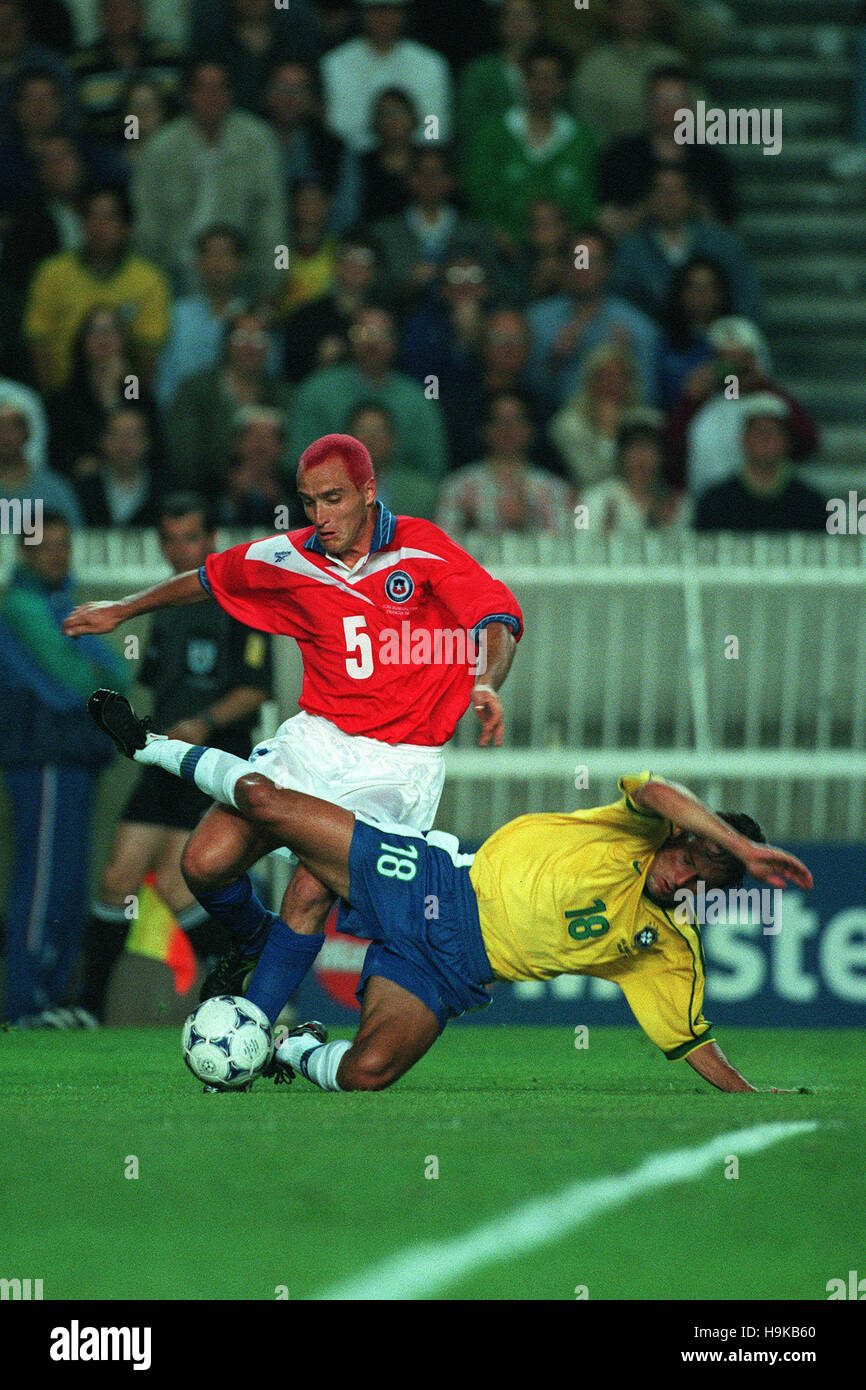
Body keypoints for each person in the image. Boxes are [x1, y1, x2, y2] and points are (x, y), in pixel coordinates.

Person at [87, 706, 814, 1095]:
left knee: (365, 1073)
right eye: (692, 858)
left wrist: (749, 1095)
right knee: (267, 806)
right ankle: (149, 743)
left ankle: (289, 1046)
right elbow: (660, 788)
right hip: (430, 882)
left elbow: (692, 1039)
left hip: (452, 974)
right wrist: (742, 847)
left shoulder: (665, 951)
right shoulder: (640, 824)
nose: (685, 878)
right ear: (688, 836)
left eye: (702, 885)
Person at [64, 433, 523, 1029]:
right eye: (308, 502)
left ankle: (251, 1028)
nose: (320, 516)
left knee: (308, 892)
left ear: (368, 491)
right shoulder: (291, 556)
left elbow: (498, 619)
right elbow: (208, 576)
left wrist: (485, 683)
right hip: (316, 740)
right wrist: (123, 610)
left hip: (397, 763)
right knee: (202, 864)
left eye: (333, 499)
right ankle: (255, 941)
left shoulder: (422, 548)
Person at [75, 493, 273, 1022]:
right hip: (164, 758)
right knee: (120, 878)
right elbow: (157, 687)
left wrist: (204, 724)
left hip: (214, 761)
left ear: (211, 541)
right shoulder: (165, 610)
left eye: (189, 537)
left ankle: (255, 992)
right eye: (169, 539)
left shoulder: (240, 599)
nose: (178, 549)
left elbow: (258, 689)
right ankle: (87, 1009)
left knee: (179, 882)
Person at [0, 512, 128, 1024]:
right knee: (41, 881)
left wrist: (91, 673)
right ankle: (24, 1001)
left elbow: (117, 673)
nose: (57, 555)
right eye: (46, 546)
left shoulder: (62, 604)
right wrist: (88, 672)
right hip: (42, 759)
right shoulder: (21, 606)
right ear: (25, 554)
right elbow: (78, 685)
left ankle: (53, 999)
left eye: (63, 545)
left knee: (71, 879)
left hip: (75, 760)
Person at [130, 58, 286, 297]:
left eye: (218, 89)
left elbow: (272, 221)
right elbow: (147, 224)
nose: (211, 97)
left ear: (230, 94)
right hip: (175, 273)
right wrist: (152, 285)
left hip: (243, 274)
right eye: (203, 89)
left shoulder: (258, 140)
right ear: (188, 95)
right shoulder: (161, 147)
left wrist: (275, 276)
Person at [24, 183, 171, 394]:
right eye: (91, 217)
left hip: (124, 392)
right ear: (81, 224)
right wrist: (53, 400)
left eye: (109, 218)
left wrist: (131, 398)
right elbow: (39, 344)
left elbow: (146, 355)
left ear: (126, 227)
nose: (99, 226)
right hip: (66, 395)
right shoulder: (52, 273)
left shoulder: (149, 280)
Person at [289, 305, 448, 488]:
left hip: (401, 501)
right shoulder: (317, 390)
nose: (372, 342)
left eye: (382, 334)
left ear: (396, 341)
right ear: (348, 340)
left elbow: (433, 467)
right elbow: (297, 461)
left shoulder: (417, 399)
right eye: (362, 333)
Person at [463, 41, 597, 248]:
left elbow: (587, 203)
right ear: (524, 81)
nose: (543, 87)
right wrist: (500, 231)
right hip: (500, 248)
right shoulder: (493, 133)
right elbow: (479, 194)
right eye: (536, 78)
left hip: (566, 251)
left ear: (562, 85)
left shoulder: (582, 139)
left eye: (551, 79)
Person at [598, 64, 737, 239]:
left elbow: (725, 228)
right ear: (647, 104)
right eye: (661, 100)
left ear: (690, 107)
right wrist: (647, 208)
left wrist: (689, 205)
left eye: (676, 100)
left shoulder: (711, 161)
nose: (668, 109)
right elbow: (605, 225)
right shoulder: (620, 156)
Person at [527, 224, 660, 407]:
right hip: (552, 422)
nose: (585, 268)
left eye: (593, 260)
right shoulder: (537, 320)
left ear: (608, 268)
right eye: (578, 259)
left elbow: (648, 397)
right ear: (565, 265)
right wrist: (553, 360)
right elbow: (525, 394)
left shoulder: (637, 326)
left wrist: (628, 362)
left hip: (617, 425)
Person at [610, 164, 760, 323]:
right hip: (653, 340)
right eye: (661, 191)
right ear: (649, 198)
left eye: (677, 191)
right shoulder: (630, 249)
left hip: (718, 338)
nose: (669, 200)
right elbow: (621, 304)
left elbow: (746, 298)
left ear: (692, 197)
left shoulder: (722, 244)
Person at [165, 308, 290, 492]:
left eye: (259, 339)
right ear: (225, 343)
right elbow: (183, 454)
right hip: (205, 492)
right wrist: (229, 480)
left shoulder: (281, 394)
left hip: (271, 492)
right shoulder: (195, 390)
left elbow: (290, 453)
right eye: (240, 337)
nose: (249, 346)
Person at [436, 390, 574, 538]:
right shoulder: (458, 487)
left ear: (530, 429)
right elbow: (442, 547)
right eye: (499, 420)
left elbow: (564, 548)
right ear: (484, 429)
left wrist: (527, 522)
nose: (508, 429)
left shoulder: (554, 489)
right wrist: (472, 528)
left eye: (517, 420)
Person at [321, 0, 452, 154]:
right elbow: (339, 125)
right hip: (353, 161)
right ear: (362, 14)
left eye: (391, 10)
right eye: (376, 10)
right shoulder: (335, 63)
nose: (384, 17)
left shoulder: (430, 63)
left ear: (404, 14)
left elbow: (435, 125)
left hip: (418, 161)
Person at [694, 396, 828, 534]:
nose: (765, 439)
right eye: (758, 432)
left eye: (773, 432)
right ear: (744, 440)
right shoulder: (716, 503)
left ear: (787, 441)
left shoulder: (809, 504)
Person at [154, 223, 249, 411]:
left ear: (240, 263)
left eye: (225, 255)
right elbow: (163, 379)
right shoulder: (177, 315)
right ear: (197, 262)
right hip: (181, 415)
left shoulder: (252, 317)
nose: (218, 263)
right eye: (211, 254)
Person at [68, 0, 182, 145]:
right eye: (112, 9)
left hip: (166, 152)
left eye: (127, 8)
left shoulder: (168, 57)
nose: (120, 15)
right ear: (100, 15)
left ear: (141, 13)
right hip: (103, 155)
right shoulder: (80, 65)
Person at [547, 340, 640, 490]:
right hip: (586, 505)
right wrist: (607, 435)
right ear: (590, 380)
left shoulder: (645, 421)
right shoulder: (568, 425)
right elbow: (591, 479)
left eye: (620, 376)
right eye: (605, 376)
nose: (613, 383)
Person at [581, 410, 691, 534]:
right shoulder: (595, 498)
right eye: (634, 448)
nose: (641, 457)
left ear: (662, 455)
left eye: (649, 448)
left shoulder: (680, 504)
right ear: (621, 454)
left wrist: (666, 526)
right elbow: (581, 543)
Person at [73, 405, 161, 527]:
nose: (124, 443)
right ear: (102, 441)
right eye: (115, 434)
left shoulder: (165, 490)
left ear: (147, 442)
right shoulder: (82, 490)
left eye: (133, 435)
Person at [0, 404, 82, 527]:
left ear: (27, 433)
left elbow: (73, 537)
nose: (5, 436)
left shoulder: (55, 489)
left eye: (13, 428)